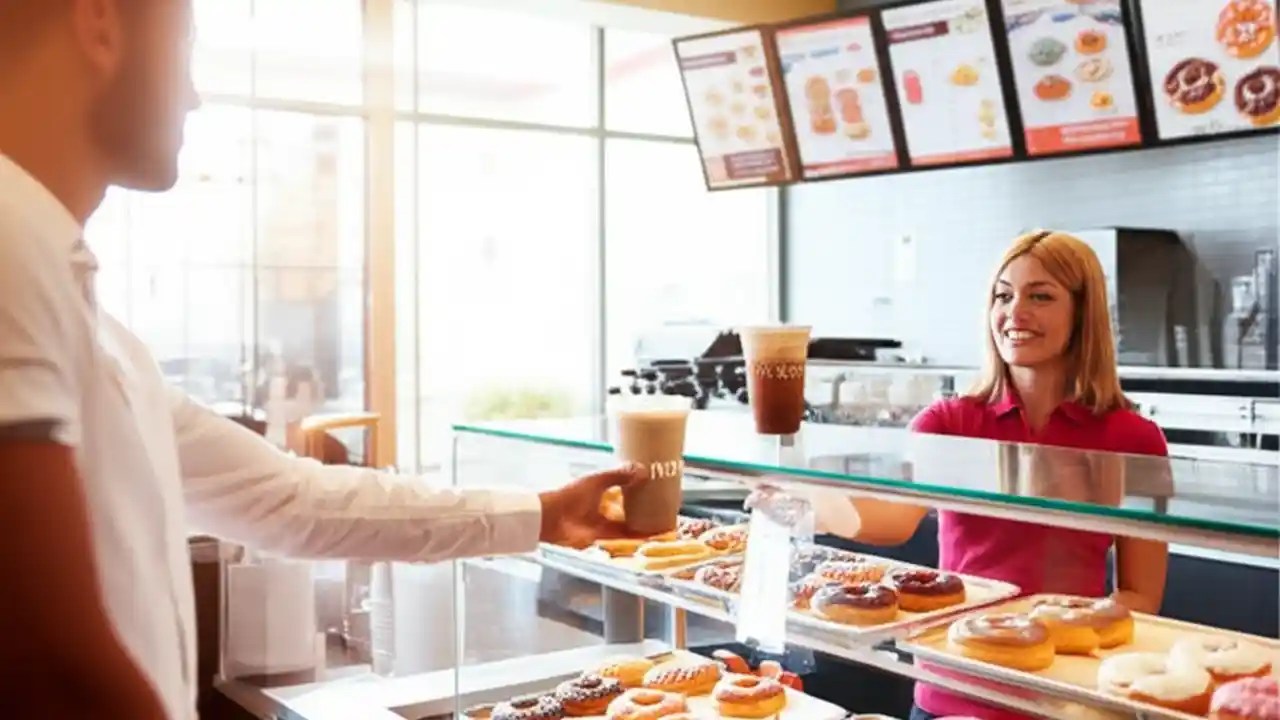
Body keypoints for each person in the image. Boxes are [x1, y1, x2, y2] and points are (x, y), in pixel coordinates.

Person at [0, 2, 645, 718]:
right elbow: (43, 658)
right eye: (184, 44)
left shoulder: (99, 330)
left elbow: (291, 498)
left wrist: (543, 515)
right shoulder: (9, 235)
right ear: (99, 22)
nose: (193, 93)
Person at [830, 230, 1170, 720]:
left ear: (1083, 312)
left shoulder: (1134, 438)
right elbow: (893, 521)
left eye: (1041, 296)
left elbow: (1141, 593)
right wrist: (804, 503)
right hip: (951, 691)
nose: (1015, 313)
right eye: (1003, 296)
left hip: (1066, 695)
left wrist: (1064, 651)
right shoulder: (950, 422)